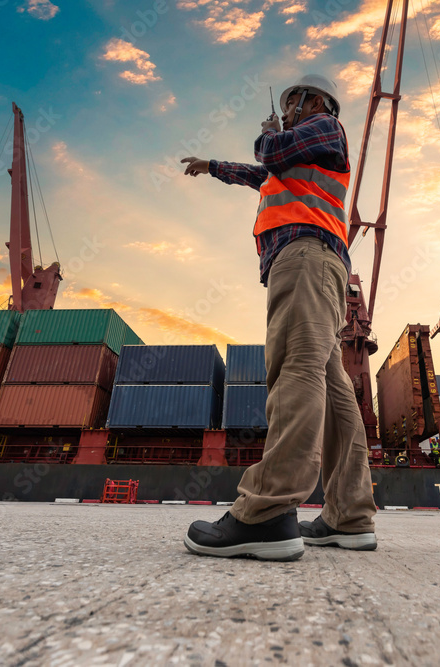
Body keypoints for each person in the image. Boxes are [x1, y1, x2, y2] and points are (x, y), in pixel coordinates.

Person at [178, 74, 378, 561]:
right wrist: (213, 167)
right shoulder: (299, 155)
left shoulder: (325, 127)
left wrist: (269, 130)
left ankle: (266, 512)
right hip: (318, 263)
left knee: (295, 370)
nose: (288, 109)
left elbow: (270, 152)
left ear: (315, 101)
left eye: (294, 102)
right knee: (331, 391)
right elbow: (260, 172)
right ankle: (348, 517)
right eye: (286, 105)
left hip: (304, 258)